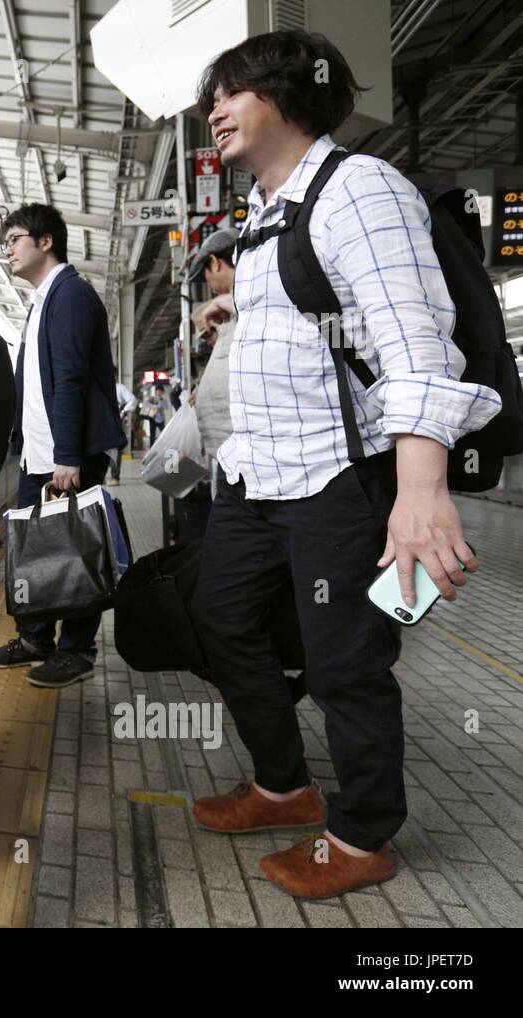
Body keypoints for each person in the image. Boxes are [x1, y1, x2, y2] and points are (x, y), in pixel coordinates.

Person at [192, 30, 501, 899]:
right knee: (220, 618)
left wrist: (419, 493)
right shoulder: (264, 209)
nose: (214, 108)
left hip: (339, 476)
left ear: (292, 94)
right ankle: (285, 784)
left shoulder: (359, 189)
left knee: (344, 664)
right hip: (259, 477)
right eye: (212, 93)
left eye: (233, 88)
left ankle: (363, 836)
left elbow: (413, 348)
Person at [0, 204, 125, 687]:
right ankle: (35, 638)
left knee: (79, 547)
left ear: (46, 242)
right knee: (37, 551)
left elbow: (72, 379)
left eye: (14, 238)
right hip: (39, 454)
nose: (7, 249)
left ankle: (77, 650)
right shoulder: (43, 300)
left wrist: (67, 456)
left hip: (68, 454)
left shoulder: (73, 296)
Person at [186, 228, 238, 461]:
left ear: (215, 263)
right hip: (229, 450)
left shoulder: (248, 300)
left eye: (205, 275)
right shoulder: (232, 309)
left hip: (244, 449)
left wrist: (224, 301)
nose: (209, 284)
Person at [108, 381, 137, 485]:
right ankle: (101, 477)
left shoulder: (119, 387)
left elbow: (132, 399)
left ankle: (115, 477)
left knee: (114, 448)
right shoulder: (98, 385)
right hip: (101, 421)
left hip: (115, 421)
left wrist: (124, 411)